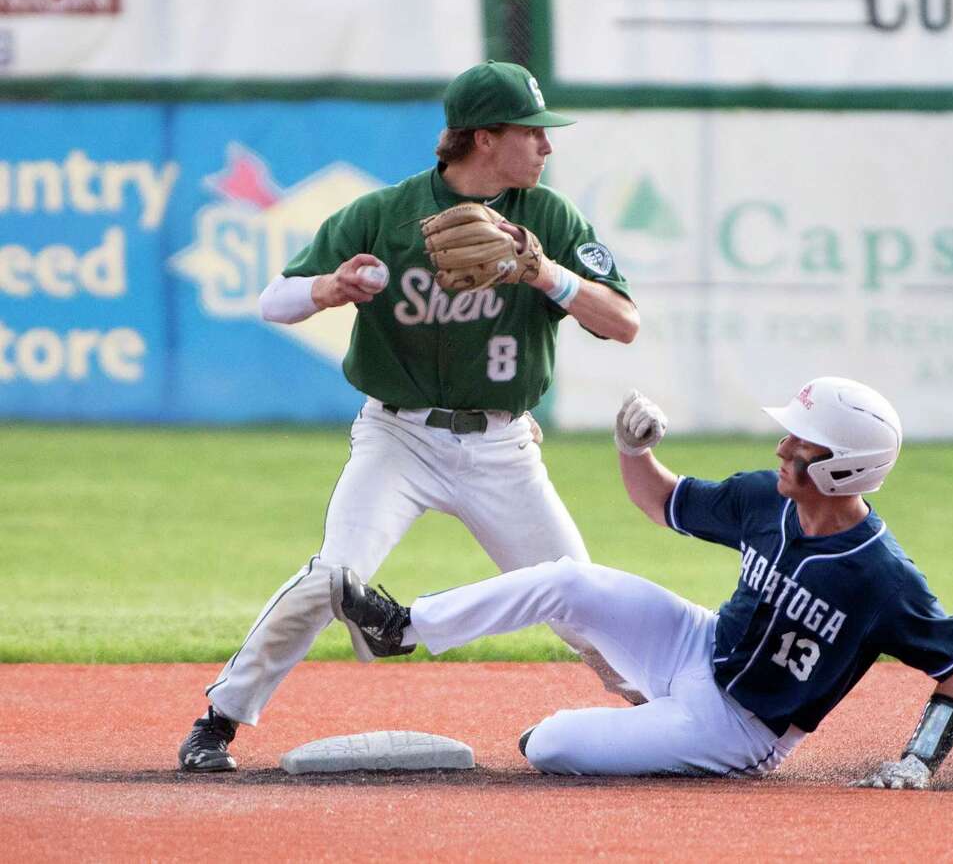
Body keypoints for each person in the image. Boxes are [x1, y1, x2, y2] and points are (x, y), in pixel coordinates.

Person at [178, 60, 642, 772]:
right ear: (484, 138)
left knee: (578, 596)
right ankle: (217, 721)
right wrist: (328, 288)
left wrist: (543, 272)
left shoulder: (548, 217)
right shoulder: (384, 214)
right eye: (531, 132)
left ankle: (663, 710)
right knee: (333, 576)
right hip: (399, 436)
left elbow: (623, 322)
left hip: (503, 447)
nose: (546, 145)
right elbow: (273, 299)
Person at [327, 377, 953, 784]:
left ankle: (656, 724)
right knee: (569, 581)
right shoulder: (767, 498)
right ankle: (404, 627)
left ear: (846, 467)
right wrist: (633, 449)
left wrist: (919, 760)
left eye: (803, 442)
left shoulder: (882, 577)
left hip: (740, 729)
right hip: (696, 641)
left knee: (547, 744)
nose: (783, 448)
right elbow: (662, 501)